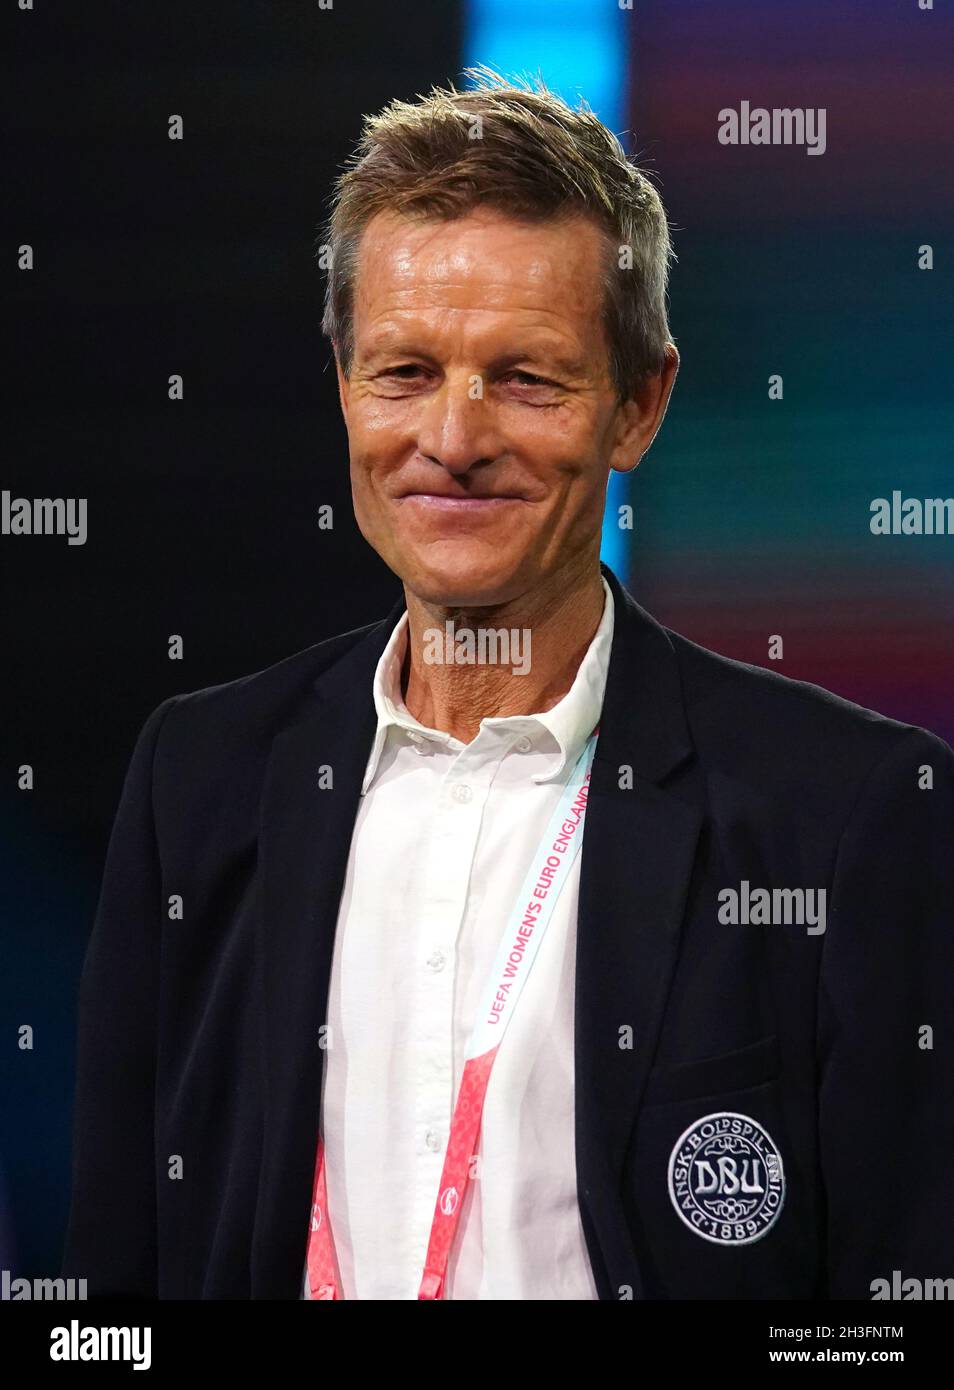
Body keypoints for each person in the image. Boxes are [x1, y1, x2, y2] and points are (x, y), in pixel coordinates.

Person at [62, 70, 954, 1300]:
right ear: (343, 387)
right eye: (404, 371)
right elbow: (114, 1293)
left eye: (525, 378)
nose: (456, 437)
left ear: (640, 405)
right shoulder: (199, 779)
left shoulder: (848, 811)